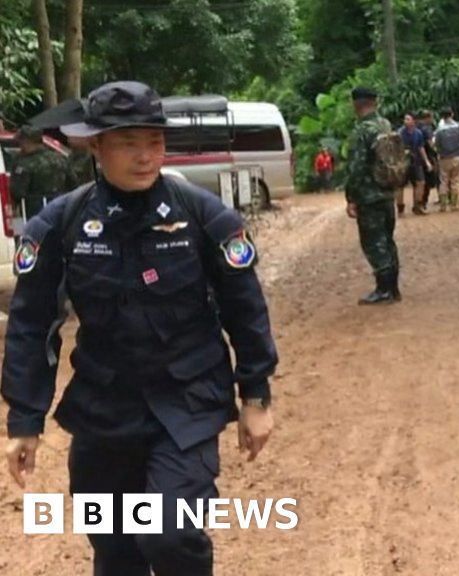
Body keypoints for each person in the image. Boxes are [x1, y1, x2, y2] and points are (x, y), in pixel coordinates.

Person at [2, 80, 278, 576]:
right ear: (96, 146)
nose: (146, 156)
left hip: (186, 402)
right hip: (103, 407)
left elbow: (245, 307)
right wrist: (25, 419)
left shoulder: (201, 215)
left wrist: (254, 396)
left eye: (154, 141)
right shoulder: (62, 223)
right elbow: (31, 323)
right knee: (114, 548)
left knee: (170, 534)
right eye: (129, 143)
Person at [344, 87, 402, 305]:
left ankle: (383, 289)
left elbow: (356, 168)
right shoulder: (385, 125)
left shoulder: (362, 131)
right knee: (387, 240)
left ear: (356, 104)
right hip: (388, 192)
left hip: (369, 197)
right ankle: (394, 288)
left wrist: (351, 197)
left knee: (374, 242)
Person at [10, 125, 75, 220]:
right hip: (60, 208)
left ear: (26, 142)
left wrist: (15, 213)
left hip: (34, 212)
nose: (20, 145)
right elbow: (73, 183)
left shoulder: (23, 163)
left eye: (21, 142)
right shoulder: (59, 158)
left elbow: (17, 192)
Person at [433, 106, 459, 211]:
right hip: (458, 156)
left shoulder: (439, 130)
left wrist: (440, 152)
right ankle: (454, 205)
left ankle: (443, 205)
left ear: (441, 117)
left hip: (444, 158)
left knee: (443, 181)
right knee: (455, 180)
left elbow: (436, 144)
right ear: (452, 114)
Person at [397, 113, 432, 215]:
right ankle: (400, 207)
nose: (406, 121)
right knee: (400, 185)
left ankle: (417, 206)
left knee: (420, 182)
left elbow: (421, 148)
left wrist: (427, 161)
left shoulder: (418, 133)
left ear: (414, 121)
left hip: (416, 161)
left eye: (408, 119)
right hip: (403, 162)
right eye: (405, 119)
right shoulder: (400, 133)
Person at [417, 110, 438, 206]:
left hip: (416, 156)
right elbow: (431, 144)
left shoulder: (416, 126)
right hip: (427, 156)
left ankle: (417, 202)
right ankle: (423, 201)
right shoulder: (427, 129)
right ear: (428, 118)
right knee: (428, 180)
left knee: (418, 181)